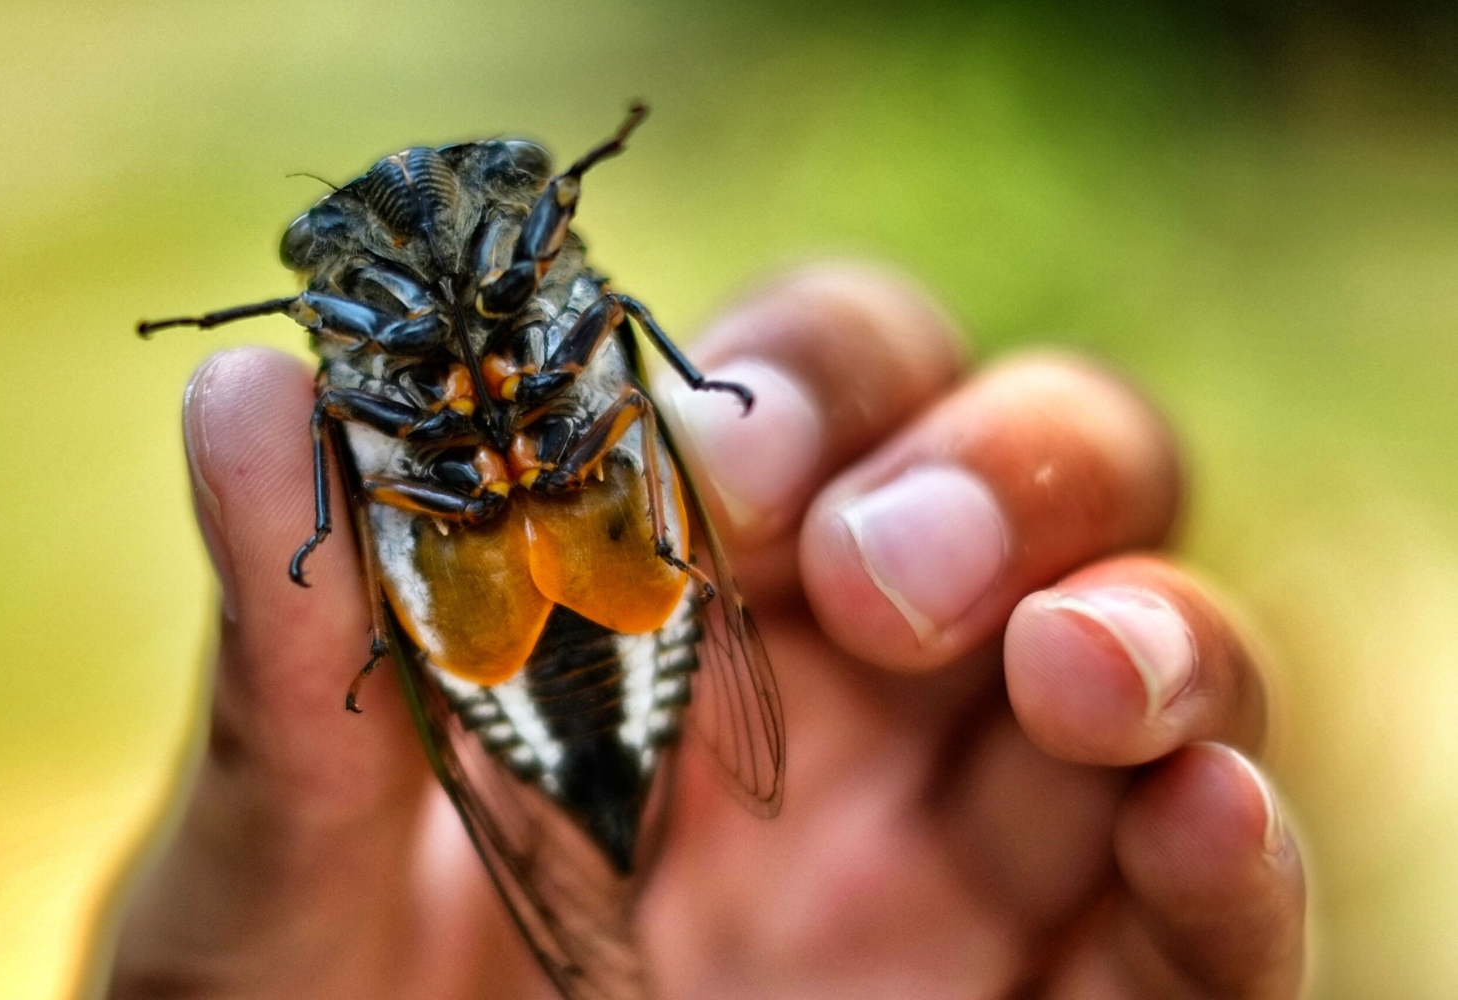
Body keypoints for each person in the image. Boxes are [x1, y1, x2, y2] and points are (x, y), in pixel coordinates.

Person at [108, 266, 1305, 998]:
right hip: (475, 623)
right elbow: (335, 452)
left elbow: (620, 351)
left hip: (621, 568)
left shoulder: (582, 324)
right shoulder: (346, 391)